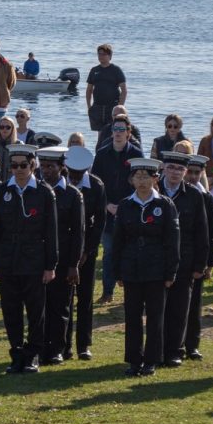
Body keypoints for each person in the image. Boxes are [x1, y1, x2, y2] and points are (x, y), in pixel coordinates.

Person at [0, 144, 59, 374]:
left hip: (34, 259)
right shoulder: (2, 192)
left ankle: (33, 355)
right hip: (8, 258)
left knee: (36, 310)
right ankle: (16, 353)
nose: (18, 169)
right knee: (11, 310)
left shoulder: (44, 192)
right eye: (14, 165)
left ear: (32, 165)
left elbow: (51, 232)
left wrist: (50, 265)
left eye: (23, 165)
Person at [111, 159, 177, 376]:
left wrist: (171, 271)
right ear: (132, 180)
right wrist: (117, 271)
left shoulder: (164, 205)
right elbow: (118, 240)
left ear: (155, 179)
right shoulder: (125, 205)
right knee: (132, 316)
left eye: (146, 177)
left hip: (156, 268)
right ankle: (134, 360)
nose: (141, 181)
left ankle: (151, 360)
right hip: (131, 267)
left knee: (155, 317)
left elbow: (172, 241)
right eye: (137, 177)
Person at [159, 151, 210, 367]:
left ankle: (174, 351)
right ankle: (156, 350)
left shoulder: (194, 195)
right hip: (156, 260)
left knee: (179, 309)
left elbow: (202, 232)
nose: (175, 172)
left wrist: (201, 264)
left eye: (180, 169)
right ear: (163, 168)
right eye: (171, 167)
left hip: (184, 260)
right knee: (157, 309)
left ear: (185, 172)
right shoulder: (154, 190)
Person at [36, 146, 85, 365]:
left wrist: (74, 264)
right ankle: (40, 347)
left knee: (60, 306)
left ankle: (58, 348)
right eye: (43, 166)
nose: (46, 171)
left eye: (50, 166)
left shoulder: (73, 194)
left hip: (64, 259)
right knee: (40, 306)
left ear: (61, 167)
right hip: (40, 258)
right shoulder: (37, 191)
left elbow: (78, 232)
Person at [64, 145, 107, 361]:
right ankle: (64, 344)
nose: (74, 178)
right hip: (65, 247)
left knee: (85, 298)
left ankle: (83, 344)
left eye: (78, 175)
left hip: (86, 250)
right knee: (64, 297)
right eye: (71, 174)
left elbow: (100, 222)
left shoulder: (96, 186)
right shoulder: (62, 184)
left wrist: (87, 251)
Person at [93, 118, 143, 303]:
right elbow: (96, 184)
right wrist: (107, 204)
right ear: (112, 131)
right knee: (109, 252)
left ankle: (131, 291)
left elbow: (141, 182)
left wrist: (123, 206)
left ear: (128, 133)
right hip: (107, 210)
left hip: (129, 210)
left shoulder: (136, 154)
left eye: (122, 129)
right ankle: (108, 292)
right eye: (116, 129)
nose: (119, 132)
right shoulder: (102, 153)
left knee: (129, 251)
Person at [182, 154, 213, 361]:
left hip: (198, 258)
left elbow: (212, 233)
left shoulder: (206, 197)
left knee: (194, 304)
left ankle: (192, 345)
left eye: (197, 173)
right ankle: (175, 343)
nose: (193, 176)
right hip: (179, 256)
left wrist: (209, 262)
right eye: (190, 172)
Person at [86, 44, 128, 140]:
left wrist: (120, 108)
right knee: (100, 134)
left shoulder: (116, 70)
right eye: (99, 54)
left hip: (112, 107)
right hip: (97, 107)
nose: (101, 56)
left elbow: (124, 90)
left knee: (112, 132)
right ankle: (100, 149)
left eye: (103, 54)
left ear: (109, 56)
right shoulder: (94, 70)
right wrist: (89, 106)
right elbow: (89, 90)